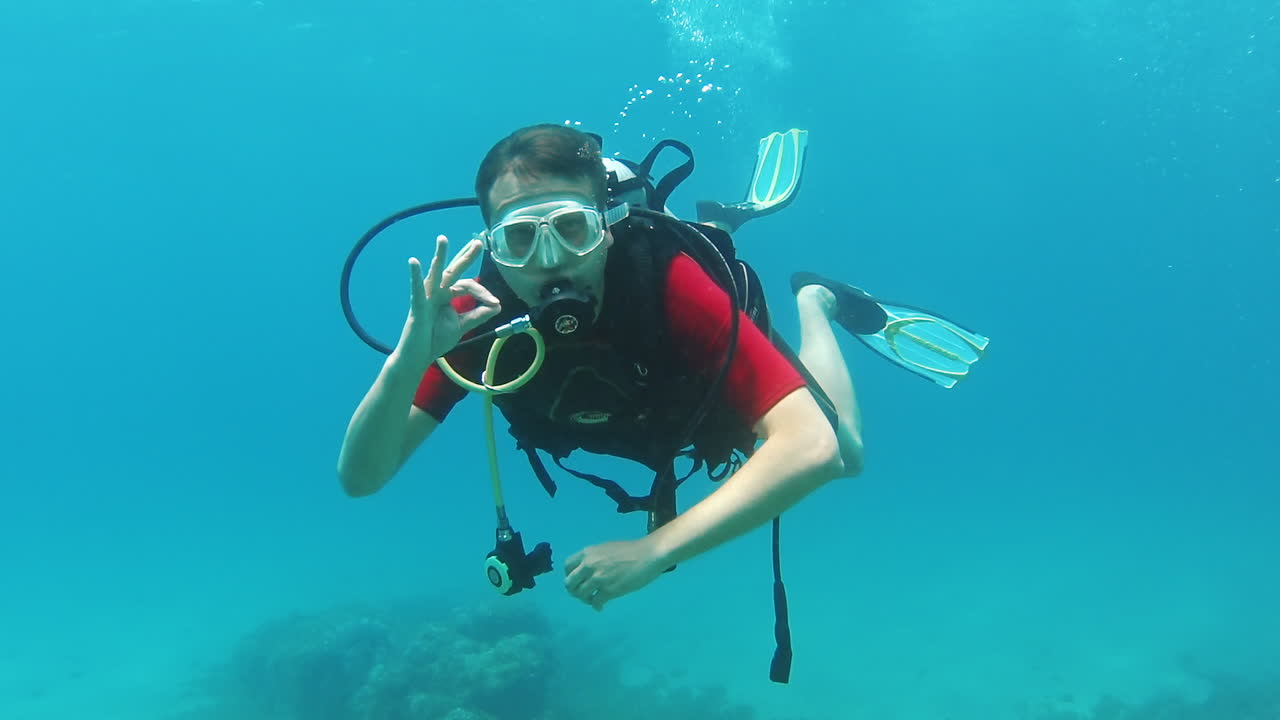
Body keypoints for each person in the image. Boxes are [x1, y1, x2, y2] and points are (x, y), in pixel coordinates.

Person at [336, 123, 987, 682]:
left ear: (611, 228)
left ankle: (816, 299)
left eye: (571, 229)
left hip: (693, 392)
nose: (549, 262)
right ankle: (715, 217)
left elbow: (811, 445)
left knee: (848, 454)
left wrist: (656, 552)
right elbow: (361, 479)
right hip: (646, 416)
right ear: (491, 247)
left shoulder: (667, 282)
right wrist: (408, 360)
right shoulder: (467, 321)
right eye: (520, 240)